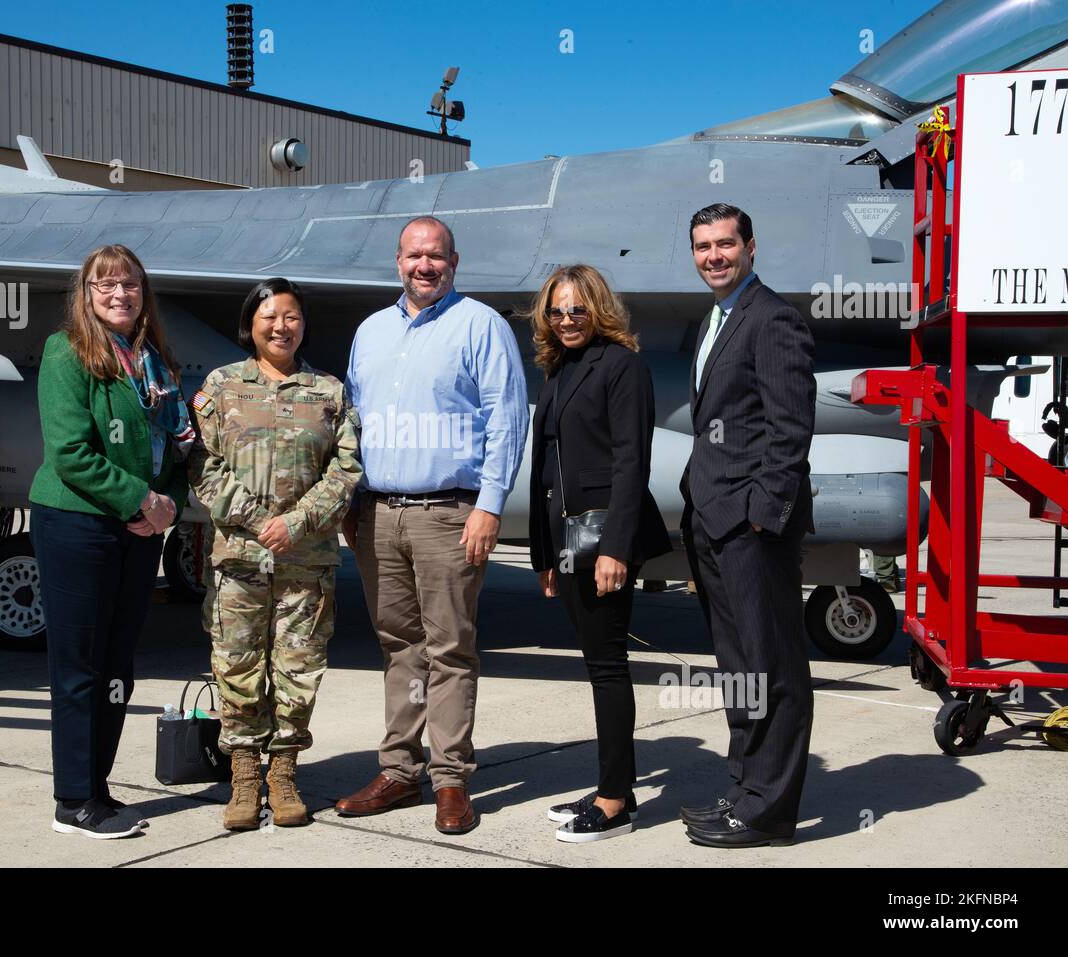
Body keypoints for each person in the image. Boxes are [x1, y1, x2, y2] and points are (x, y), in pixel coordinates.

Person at [335, 216, 529, 834]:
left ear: (454, 262)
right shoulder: (369, 332)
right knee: (399, 647)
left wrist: (490, 504)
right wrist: (349, 500)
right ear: (398, 262)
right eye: (415, 256)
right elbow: (353, 422)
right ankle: (398, 770)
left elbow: (507, 419)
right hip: (377, 512)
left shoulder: (482, 326)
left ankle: (450, 780)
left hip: (450, 513)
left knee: (449, 649)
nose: (426, 266)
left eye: (437, 257)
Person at [30, 244, 193, 839]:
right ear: (87, 294)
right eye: (105, 285)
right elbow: (69, 453)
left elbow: (176, 446)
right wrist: (141, 500)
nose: (118, 294)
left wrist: (167, 501)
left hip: (138, 530)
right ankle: (72, 801)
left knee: (116, 664)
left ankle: (96, 788)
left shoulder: (152, 361)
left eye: (128, 284)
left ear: (142, 292)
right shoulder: (67, 353)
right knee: (78, 666)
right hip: (77, 523)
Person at [189, 278, 361, 831]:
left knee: (299, 666)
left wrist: (298, 522)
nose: (281, 326)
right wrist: (262, 522)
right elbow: (203, 468)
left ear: (303, 325)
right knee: (237, 664)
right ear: (251, 324)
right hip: (239, 558)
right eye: (269, 316)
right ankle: (243, 778)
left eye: (291, 317)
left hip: (306, 560)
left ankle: (283, 774)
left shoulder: (328, 392)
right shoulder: (221, 387)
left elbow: (346, 469)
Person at [678, 203, 816, 848]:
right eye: (703, 246)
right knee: (740, 669)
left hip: (749, 528)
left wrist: (763, 518)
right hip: (714, 521)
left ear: (751, 247)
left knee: (771, 666)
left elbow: (789, 431)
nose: (714, 256)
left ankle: (767, 813)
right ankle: (746, 791)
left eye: (725, 244)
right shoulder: (716, 319)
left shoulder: (773, 319)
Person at [528, 265, 671, 843]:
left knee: (608, 670)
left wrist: (615, 546)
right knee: (597, 666)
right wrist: (543, 554)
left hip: (602, 542)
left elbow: (631, 462)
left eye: (577, 310)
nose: (566, 320)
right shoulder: (560, 368)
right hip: (568, 543)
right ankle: (613, 786)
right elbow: (548, 470)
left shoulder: (622, 366)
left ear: (599, 310)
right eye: (557, 311)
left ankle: (615, 802)